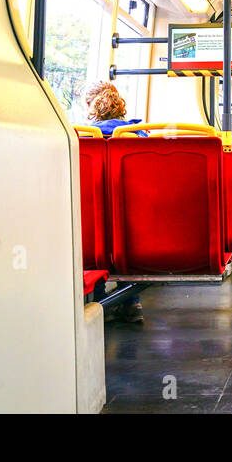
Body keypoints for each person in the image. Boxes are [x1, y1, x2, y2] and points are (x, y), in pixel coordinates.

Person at [82, 80, 145, 323]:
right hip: (134, 223)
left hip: (93, 223)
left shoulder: (82, 138)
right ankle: (131, 302)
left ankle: (98, 303)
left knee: (95, 234)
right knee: (125, 230)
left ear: (90, 106)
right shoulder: (139, 136)